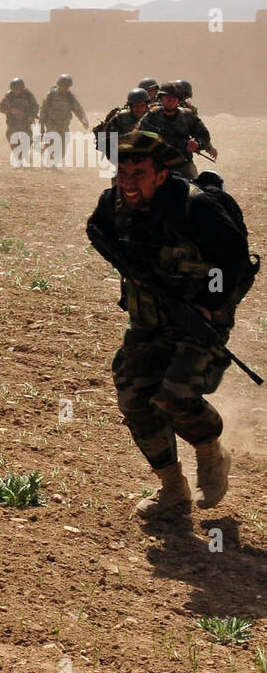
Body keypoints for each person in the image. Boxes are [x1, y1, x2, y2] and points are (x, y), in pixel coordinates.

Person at [87, 131, 252, 520]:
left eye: (138, 173)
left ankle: (211, 452)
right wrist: (131, 270)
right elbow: (96, 232)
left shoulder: (197, 208)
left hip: (197, 322)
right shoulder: (113, 203)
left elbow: (236, 263)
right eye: (122, 172)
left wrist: (210, 307)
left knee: (174, 395)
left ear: (161, 175)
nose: (127, 182)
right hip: (147, 322)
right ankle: (172, 488)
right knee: (134, 398)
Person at [137, 81, 215, 180]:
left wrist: (197, 143)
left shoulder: (187, 116)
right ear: (161, 98)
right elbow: (138, 136)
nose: (171, 100)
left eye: (175, 97)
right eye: (167, 96)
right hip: (157, 166)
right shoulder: (152, 115)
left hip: (183, 166)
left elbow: (204, 136)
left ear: (179, 99)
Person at [39, 73, 89, 165]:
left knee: (62, 150)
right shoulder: (51, 95)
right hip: (52, 123)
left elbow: (78, 109)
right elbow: (43, 110)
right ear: (59, 85)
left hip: (64, 125)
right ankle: (48, 157)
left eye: (67, 87)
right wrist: (41, 125)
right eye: (63, 86)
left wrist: (83, 120)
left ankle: (50, 158)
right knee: (53, 140)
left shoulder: (70, 97)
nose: (65, 88)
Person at [0, 77, 39, 157]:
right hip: (13, 122)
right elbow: (1, 108)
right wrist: (10, 111)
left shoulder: (28, 95)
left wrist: (32, 116)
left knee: (29, 139)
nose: (15, 91)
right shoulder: (9, 96)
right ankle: (18, 155)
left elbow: (35, 106)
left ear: (22, 89)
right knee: (12, 138)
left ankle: (22, 154)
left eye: (17, 89)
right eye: (14, 89)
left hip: (25, 122)